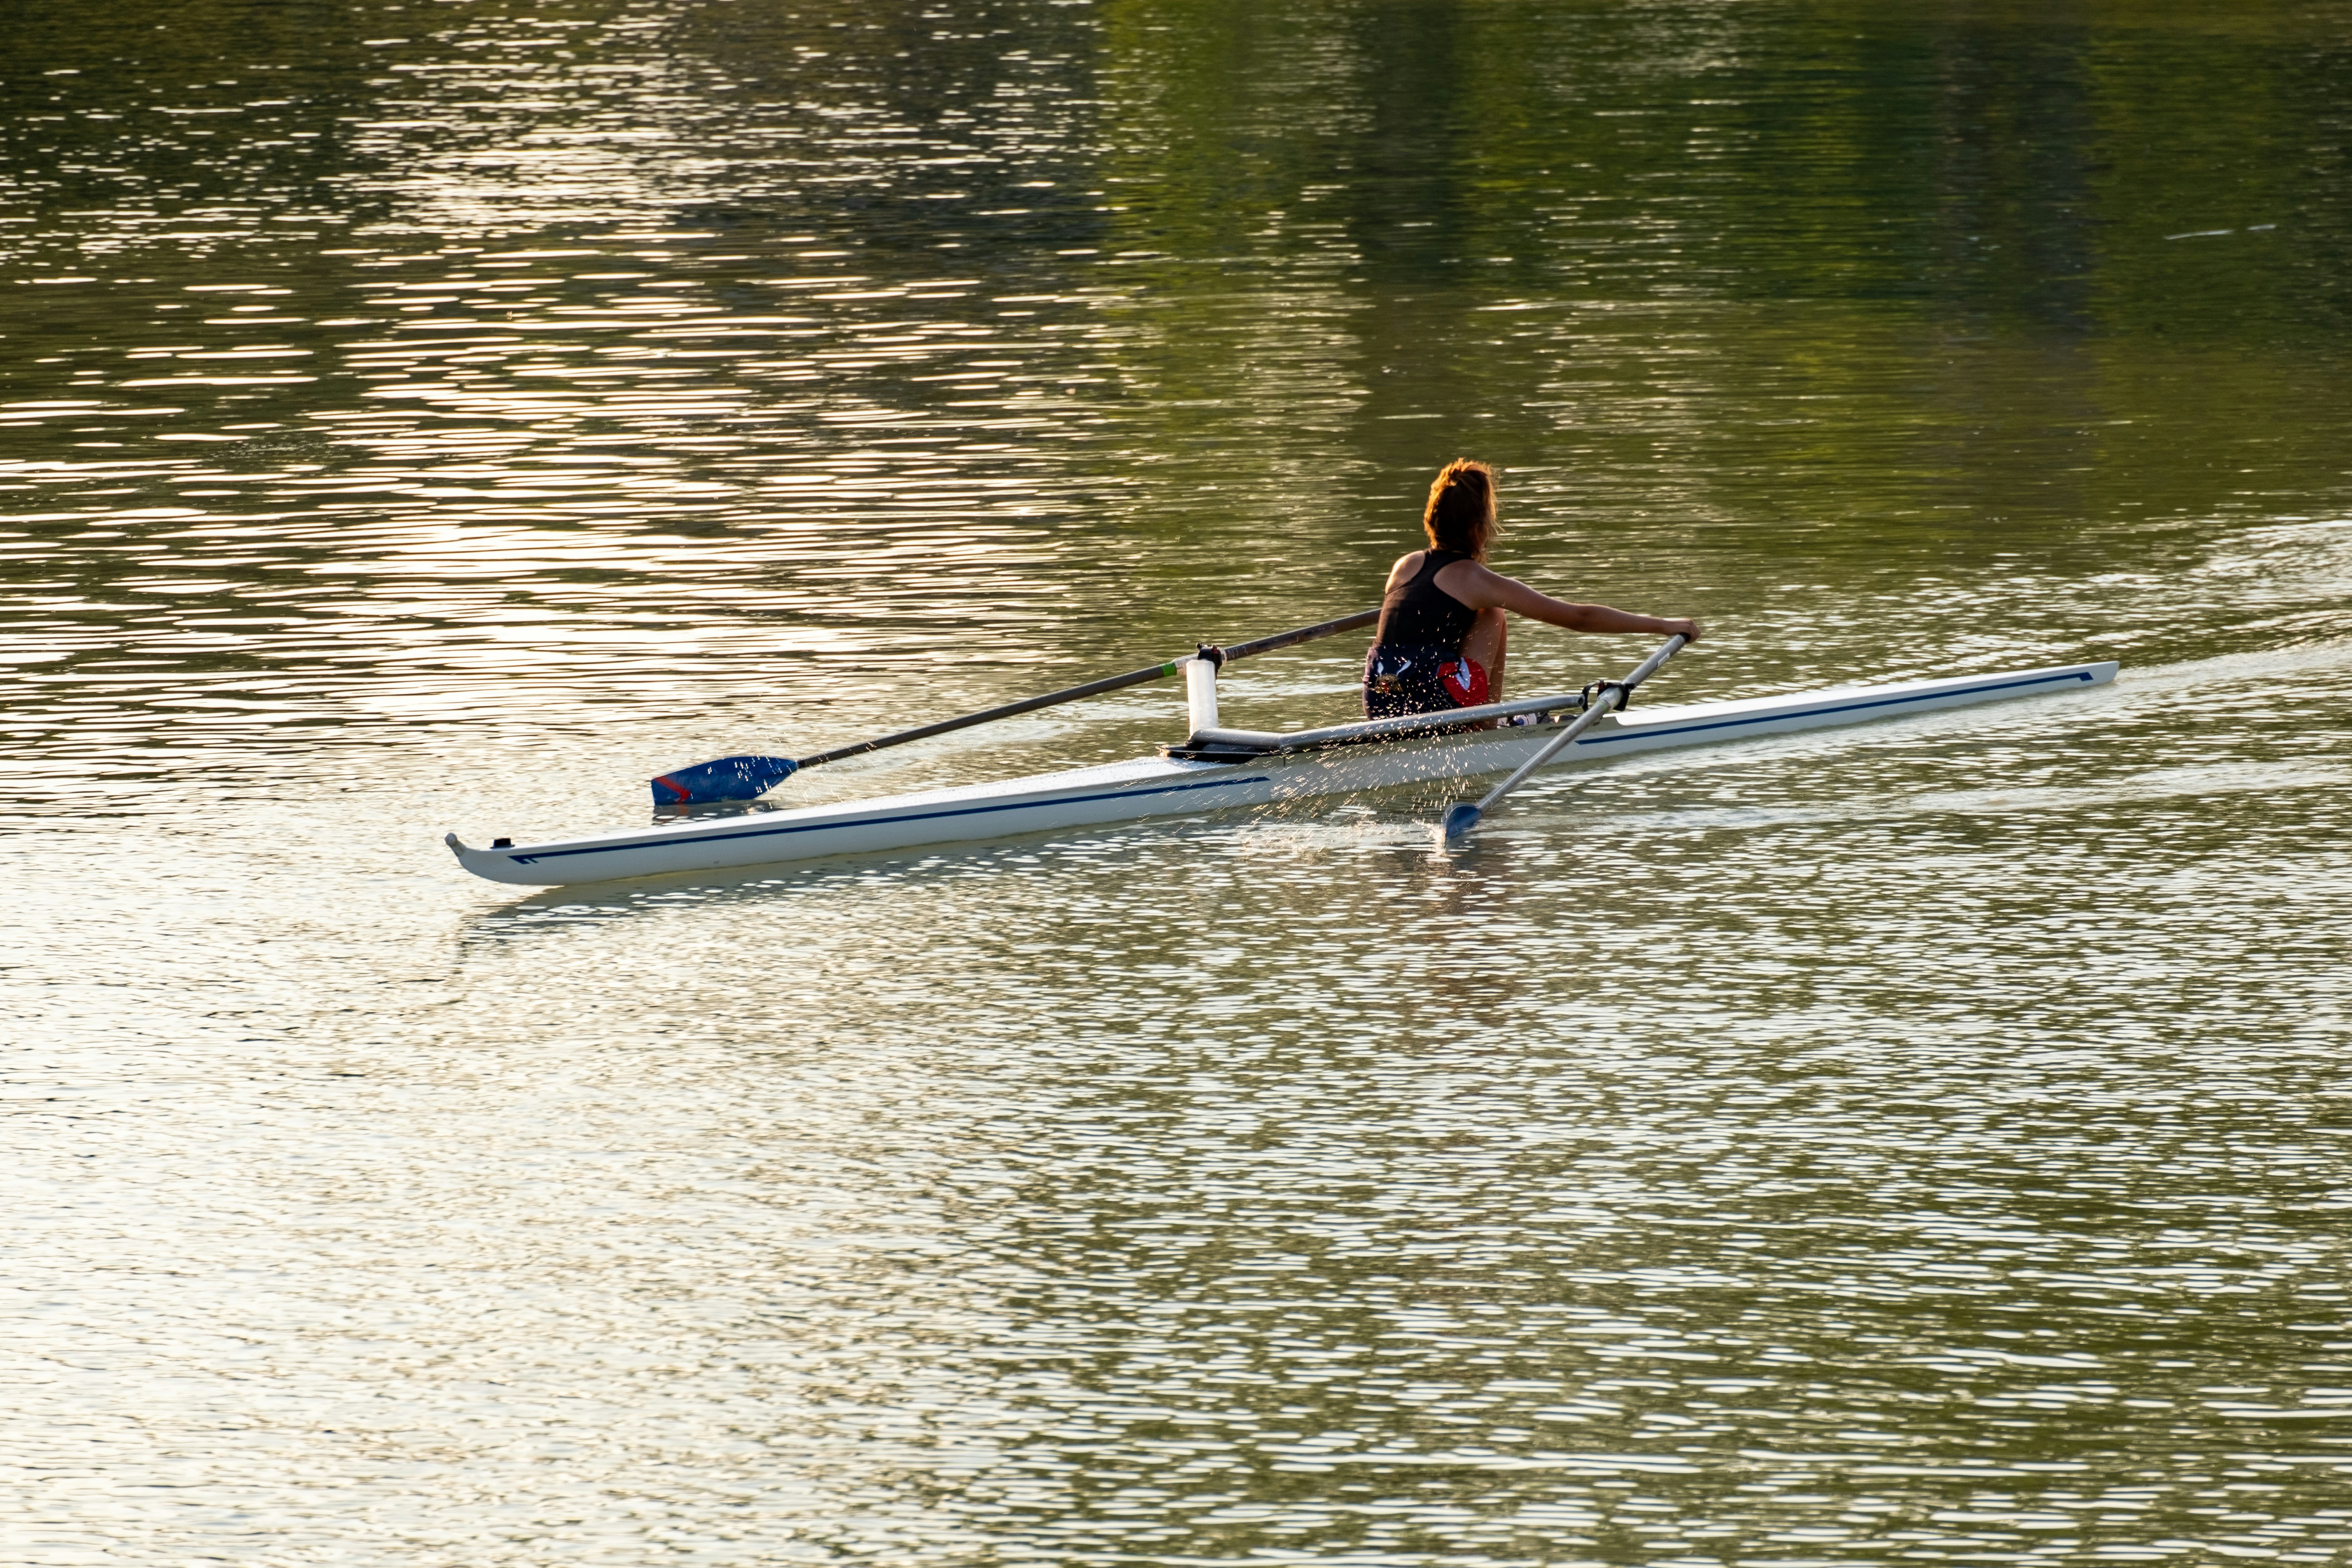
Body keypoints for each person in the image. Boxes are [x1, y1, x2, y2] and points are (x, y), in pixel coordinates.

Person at [1363, 459, 1701, 718]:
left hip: (1380, 702)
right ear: (1479, 529)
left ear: (1431, 520)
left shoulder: (1404, 567)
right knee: (1492, 614)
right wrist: (1663, 625)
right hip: (1431, 703)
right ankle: (1486, 726)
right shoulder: (1476, 581)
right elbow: (1580, 618)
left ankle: (1472, 718)